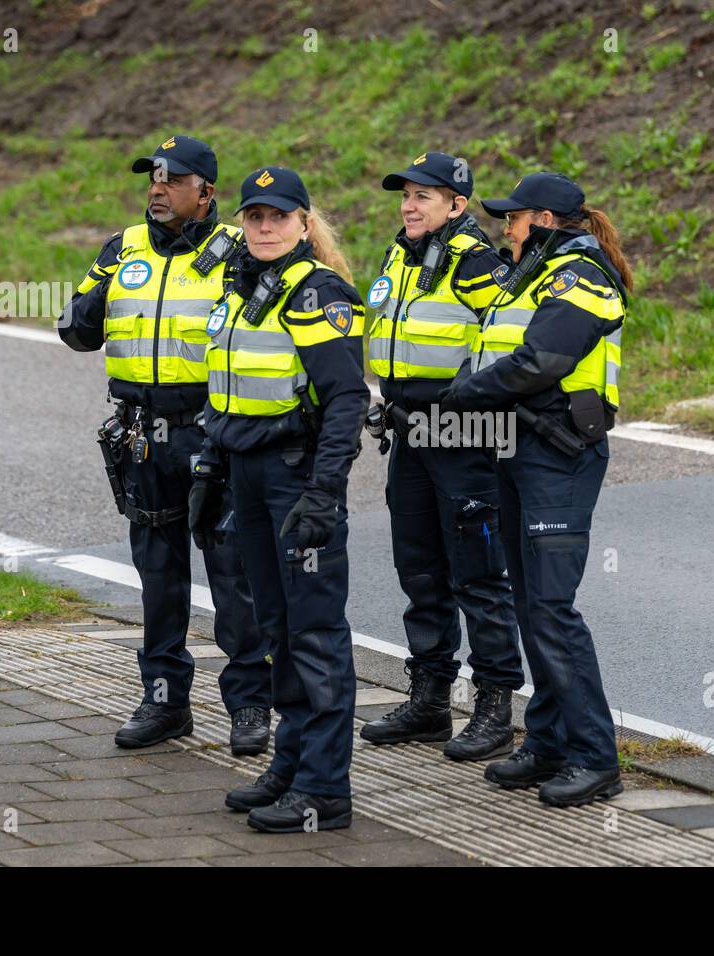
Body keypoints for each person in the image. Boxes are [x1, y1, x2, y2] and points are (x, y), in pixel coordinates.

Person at [57, 134, 272, 755]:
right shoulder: (121, 248)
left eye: (172, 179)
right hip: (141, 434)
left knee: (233, 575)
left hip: (213, 433)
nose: (157, 187)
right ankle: (164, 702)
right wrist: (92, 301)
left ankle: (250, 705)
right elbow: (77, 332)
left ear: (205, 193)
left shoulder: (238, 251)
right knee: (158, 575)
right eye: (152, 176)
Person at [441, 172, 630, 807]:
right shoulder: (536, 271)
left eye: (513, 219)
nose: (504, 228)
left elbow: (542, 361)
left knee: (551, 609)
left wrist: (463, 396)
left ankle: (594, 757)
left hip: (560, 455)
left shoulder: (583, 274)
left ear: (545, 220)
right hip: (520, 447)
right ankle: (548, 742)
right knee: (530, 607)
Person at [200, 166, 368, 832]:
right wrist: (211, 471)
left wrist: (324, 493)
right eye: (254, 216)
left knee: (317, 636)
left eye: (278, 216)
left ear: (304, 223)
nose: (265, 227)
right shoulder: (240, 287)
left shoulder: (319, 293)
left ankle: (326, 789)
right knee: (278, 629)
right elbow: (230, 387)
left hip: (298, 478)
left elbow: (347, 399)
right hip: (248, 474)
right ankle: (293, 764)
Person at [359, 152, 524, 761]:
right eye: (404, 194)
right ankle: (429, 702)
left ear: (457, 206)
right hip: (408, 432)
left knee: (478, 576)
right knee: (420, 570)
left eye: (422, 196)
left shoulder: (478, 261)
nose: (408, 205)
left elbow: (508, 340)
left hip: (460, 435)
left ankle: (494, 708)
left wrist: (464, 400)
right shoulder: (399, 254)